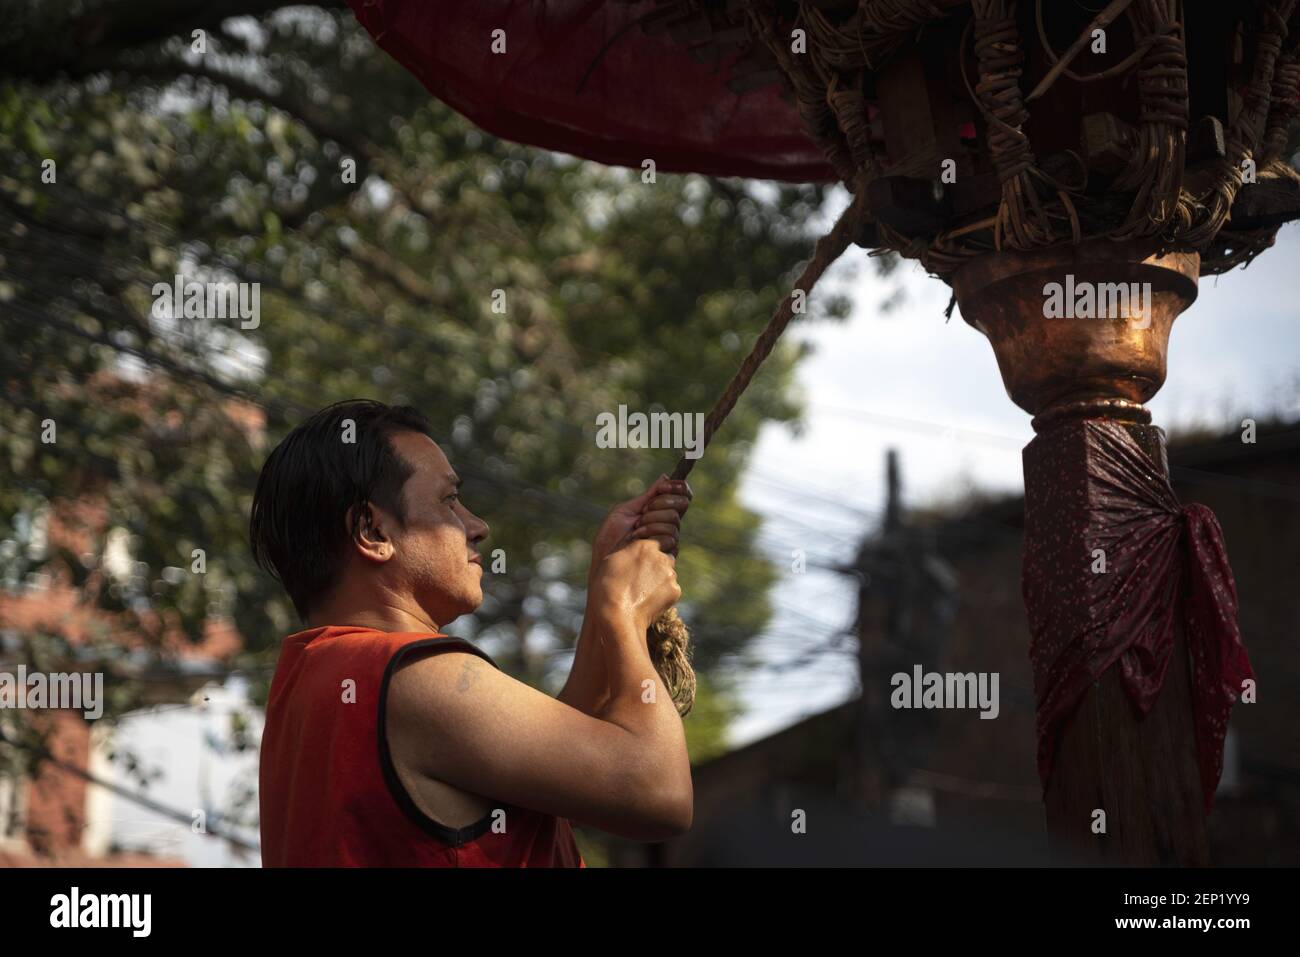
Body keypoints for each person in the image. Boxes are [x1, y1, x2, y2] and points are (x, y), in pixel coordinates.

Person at [250, 399, 694, 866]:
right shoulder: (414, 678)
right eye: (448, 501)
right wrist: (623, 612)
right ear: (372, 530)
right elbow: (658, 793)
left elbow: (558, 766)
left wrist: (606, 577)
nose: (477, 526)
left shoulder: (317, 681)